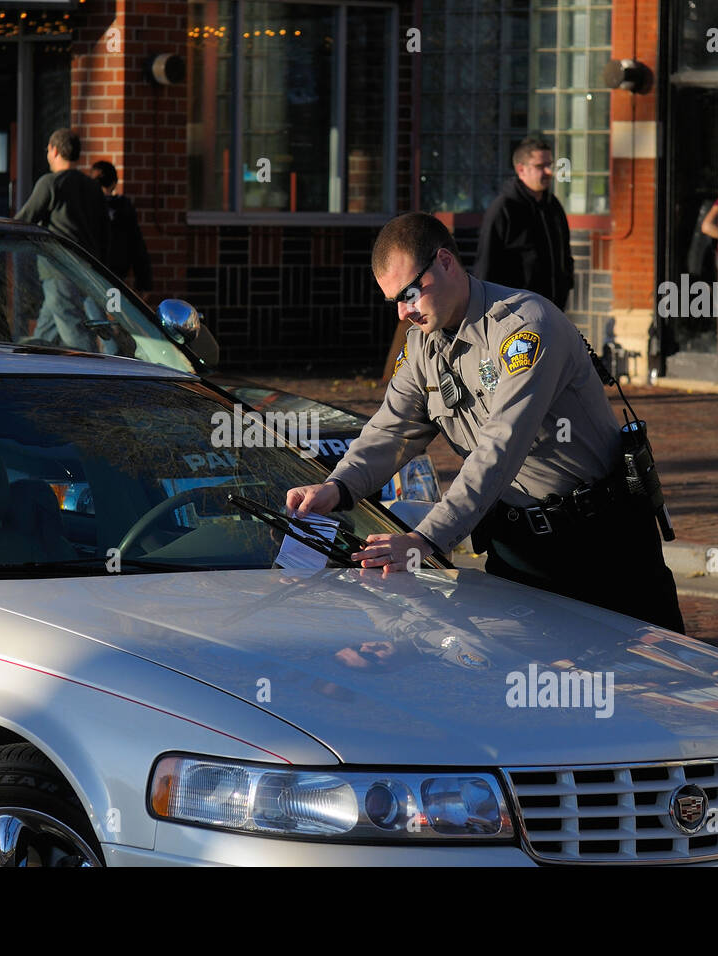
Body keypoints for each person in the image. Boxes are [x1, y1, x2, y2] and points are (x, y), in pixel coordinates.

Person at [285, 212, 685, 634]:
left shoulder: (524, 328)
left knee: (658, 683)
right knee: (515, 687)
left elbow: (500, 448)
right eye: (394, 302)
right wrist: (336, 486)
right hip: (519, 545)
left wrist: (424, 541)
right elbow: (392, 428)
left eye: (409, 293)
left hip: (600, 542)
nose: (404, 313)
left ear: (445, 261)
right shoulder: (424, 344)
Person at [474, 137, 575, 310]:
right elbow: (486, 264)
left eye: (549, 165)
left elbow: (564, 253)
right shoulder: (503, 209)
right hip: (518, 310)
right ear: (521, 169)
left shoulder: (553, 206)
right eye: (540, 166)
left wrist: (566, 283)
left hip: (554, 307)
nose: (548, 172)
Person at [14, 128, 109, 261]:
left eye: (48, 150)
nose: (48, 155)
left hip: (60, 269)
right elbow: (105, 233)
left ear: (55, 150)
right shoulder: (94, 186)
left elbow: (24, 221)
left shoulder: (50, 183)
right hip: (90, 272)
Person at [90, 160, 153, 295]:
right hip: (115, 279)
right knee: (113, 314)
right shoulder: (123, 208)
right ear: (114, 183)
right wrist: (144, 283)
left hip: (89, 276)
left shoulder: (87, 206)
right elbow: (137, 246)